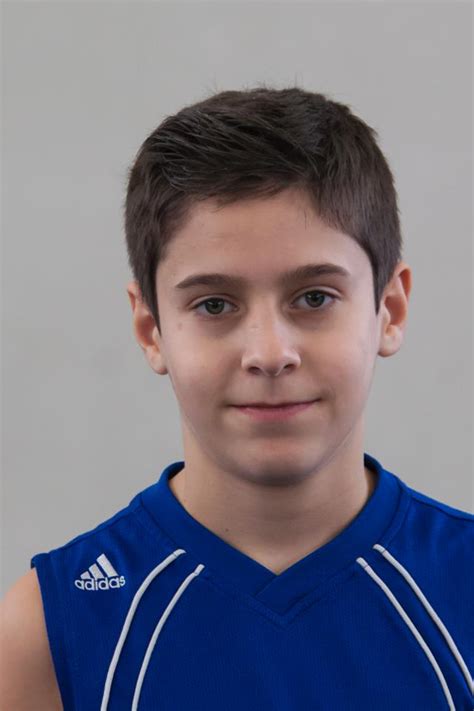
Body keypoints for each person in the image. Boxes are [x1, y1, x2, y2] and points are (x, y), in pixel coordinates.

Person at [1, 85, 472, 711]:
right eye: (215, 305)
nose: (269, 352)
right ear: (151, 328)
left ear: (390, 309)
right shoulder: (45, 632)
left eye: (314, 298)